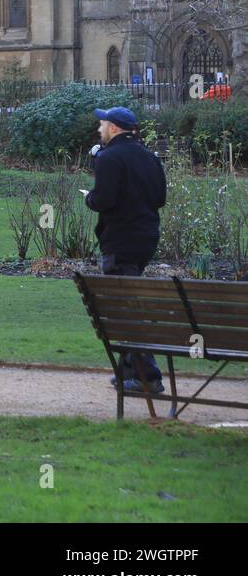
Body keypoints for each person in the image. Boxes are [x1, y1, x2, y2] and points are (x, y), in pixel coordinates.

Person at [86, 106, 168, 394]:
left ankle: (148, 376)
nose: (99, 129)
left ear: (114, 128)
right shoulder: (150, 157)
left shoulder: (109, 158)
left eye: (102, 124)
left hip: (120, 239)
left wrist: (90, 199)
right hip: (146, 237)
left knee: (124, 307)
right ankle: (129, 371)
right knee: (126, 301)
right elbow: (159, 198)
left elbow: (103, 201)